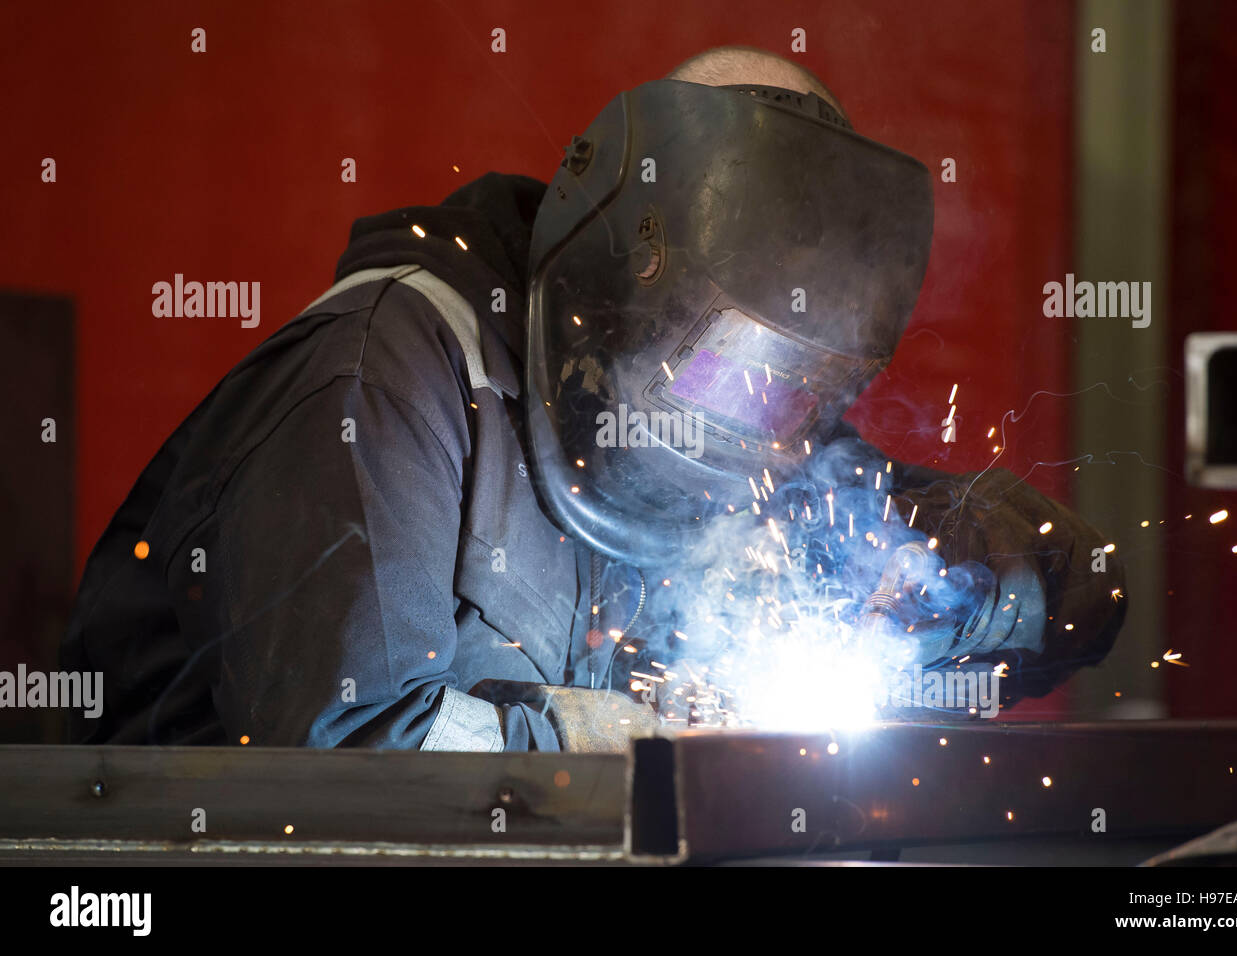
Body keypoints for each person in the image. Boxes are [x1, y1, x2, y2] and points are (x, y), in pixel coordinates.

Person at [61, 47, 1126, 752]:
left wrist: (981, 580)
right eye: (725, 367)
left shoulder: (760, 445)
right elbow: (346, 761)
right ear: (624, 278)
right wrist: (611, 737)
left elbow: (1020, 572)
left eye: (796, 392)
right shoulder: (391, 375)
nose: (756, 420)